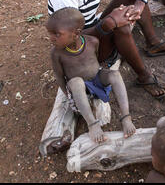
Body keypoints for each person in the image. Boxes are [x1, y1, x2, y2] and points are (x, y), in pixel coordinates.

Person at [46, 7, 136, 143]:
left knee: (115, 75)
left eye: (56, 34)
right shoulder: (57, 53)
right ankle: (92, 124)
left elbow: (96, 60)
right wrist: (68, 96)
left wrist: (101, 73)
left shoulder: (93, 42)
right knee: (76, 82)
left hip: (96, 80)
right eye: (50, 34)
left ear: (76, 34)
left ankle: (126, 117)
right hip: (78, 89)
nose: (51, 38)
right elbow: (59, 76)